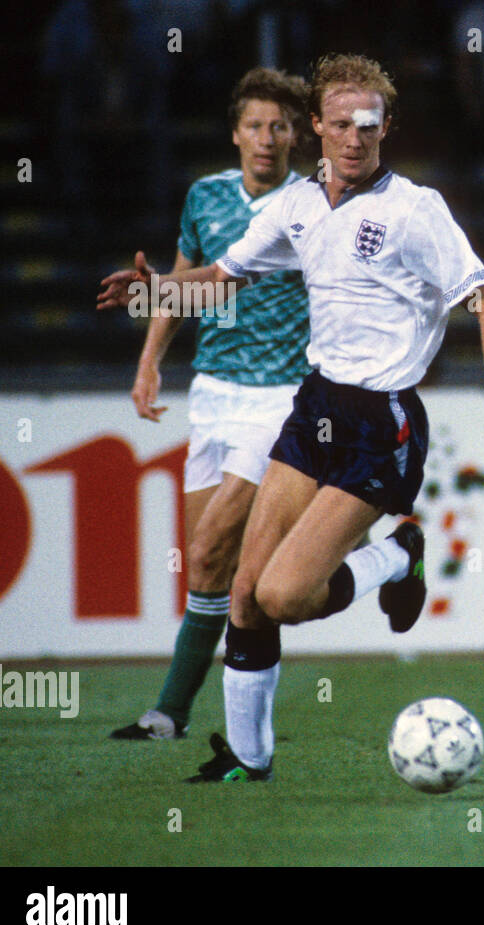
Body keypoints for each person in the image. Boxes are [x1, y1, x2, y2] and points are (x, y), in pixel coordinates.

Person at [99, 54, 484, 782]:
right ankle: (251, 760)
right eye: (339, 123)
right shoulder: (298, 205)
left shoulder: (416, 209)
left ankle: (400, 554)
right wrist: (156, 293)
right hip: (315, 409)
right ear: (317, 126)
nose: (353, 137)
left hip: (385, 424)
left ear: (387, 128)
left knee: (283, 595)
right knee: (245, 593)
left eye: (367, 124)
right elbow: (221, 281)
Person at [110, 66, 311, 742]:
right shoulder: (205, 198)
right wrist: (148, 362)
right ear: (234, 133)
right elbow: (188, 285)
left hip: (280, 401)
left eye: (279, 125)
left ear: (294, 136)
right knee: (211, 570)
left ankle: (183, 712)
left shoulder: (313, 206)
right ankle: (177, 716)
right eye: (254, 125)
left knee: (212, 546)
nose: (266, 137)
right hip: (214, 395)